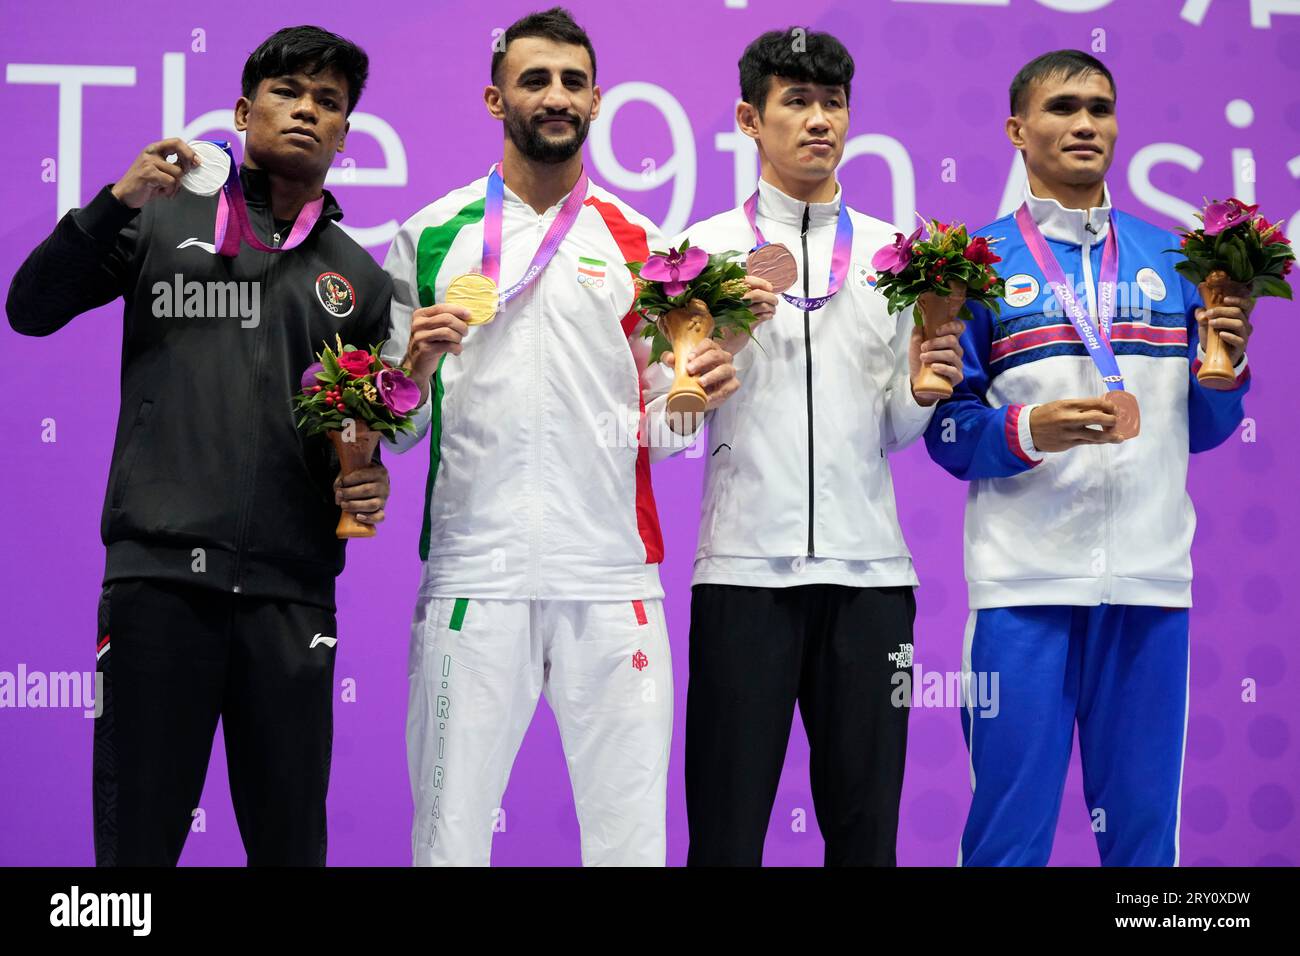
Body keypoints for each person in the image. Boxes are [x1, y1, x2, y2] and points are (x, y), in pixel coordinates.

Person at [380, 7, 768, 867]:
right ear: (494, 98)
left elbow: (662, 434)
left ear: (597, 99)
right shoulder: (431, 234)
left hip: (612, 577)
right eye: (534, 81)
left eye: (571, 82)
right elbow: (397, 429)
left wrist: (693, 398)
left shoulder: (643, 245)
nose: (555, 97)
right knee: (447, 840)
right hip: (474, 574)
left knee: (629, 845)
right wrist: (408, 361)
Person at [6, 25, 393, 866]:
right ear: (243, 110)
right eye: (288, 92)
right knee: (133, 855)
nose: (307, 111)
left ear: (345, 134)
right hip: (157, 586)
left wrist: (365, 485)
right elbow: (29, 307)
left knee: (292, 850)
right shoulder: (160, 217)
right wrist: (117, 199)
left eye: (328, 102)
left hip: (291, 602)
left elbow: (349, 440)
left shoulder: (359, 279)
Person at [924, 50, 1253, 866]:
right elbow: (946, 431)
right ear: (1016, 130)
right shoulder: (974, 266)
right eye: (1063, 107)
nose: (1084, 124)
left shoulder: (1177, 261)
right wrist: (1029, 430)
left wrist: (1227, 369)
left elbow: (1204, 430)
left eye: (1100, 109)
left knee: (1145, 843)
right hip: (1021, 593)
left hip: (1149, 586)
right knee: (1009, 840)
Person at [671, 28, 965, 867]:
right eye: (795, 101)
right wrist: (705, 361)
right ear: (747, 118)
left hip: (870, 581)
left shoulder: (895, 256)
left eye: (833, 102)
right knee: (725, 838)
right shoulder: (700, 253)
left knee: (867, 838)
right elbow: (669, 422)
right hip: (743, 575)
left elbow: (895, 432)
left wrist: (917, 391)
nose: (818, 121)